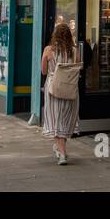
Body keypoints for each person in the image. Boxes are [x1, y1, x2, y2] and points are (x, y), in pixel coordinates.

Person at [41, 22, 80, 165]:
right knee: (63, 120)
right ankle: (59, 147)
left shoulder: (48, 50)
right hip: (69, 90)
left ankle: (62, 153)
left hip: (53, 89)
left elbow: (44, 71)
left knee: (55, 120)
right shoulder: (75, 51)